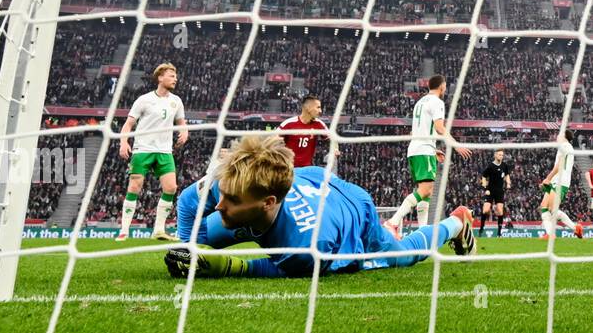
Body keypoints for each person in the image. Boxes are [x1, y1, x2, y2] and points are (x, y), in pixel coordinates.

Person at [164, 134, 476, 279]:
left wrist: (227, 266)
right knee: (208, 233)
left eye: (231, 200)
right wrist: (187, 247)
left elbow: (271, 267)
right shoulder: (231, 180)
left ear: (267, 202)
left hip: (354, 209)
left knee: (401, 255)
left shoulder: (305, 245)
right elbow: (188, 201)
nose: (219, 204)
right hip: (311, 178)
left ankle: (456, 223)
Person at [385, 75, 470, 236]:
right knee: (425, 190)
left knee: (427, 192)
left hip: (418, 148)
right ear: (442, 87)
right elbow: (439, 128)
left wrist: (433, 149)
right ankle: (393, 222)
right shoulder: (437, 102)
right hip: (423, 149)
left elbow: (418, 129)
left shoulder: (420, 102)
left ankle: (422, 230)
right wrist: (456, 145)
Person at [117, 63, 188, 241]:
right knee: (134, 186)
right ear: (160, 78)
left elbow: (181, 122)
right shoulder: (144, 99)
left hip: (164, 151)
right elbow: (128, 124)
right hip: (143, 149)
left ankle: (158, 230)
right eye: (171, 75)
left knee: (171, 187)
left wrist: (184, 132)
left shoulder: (176, 101)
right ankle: (124, 230)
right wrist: (123, 142)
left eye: (175, 76)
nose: (175, 79)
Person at [278, 95, 327, 168]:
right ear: (308, 108)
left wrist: (335, 148)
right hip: (288, 169)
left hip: (306, 169)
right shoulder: (288, 124)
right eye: (318, 107)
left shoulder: (319, 124)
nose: (320, 111)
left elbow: (333, 138)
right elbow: (272, 140)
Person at [479, 149, 512, 236]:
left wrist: (508, 182)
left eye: (502, 155)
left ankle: (499, 233)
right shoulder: (490, 166)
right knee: (485, 210)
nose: (501, 156)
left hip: (499, 191)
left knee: (500, 211)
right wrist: (485, 188)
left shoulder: (504, 166)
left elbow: (507, 175)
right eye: (499, 155)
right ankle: (481, 227)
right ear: (495, 155)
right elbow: (483, 177)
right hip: (490, 190)